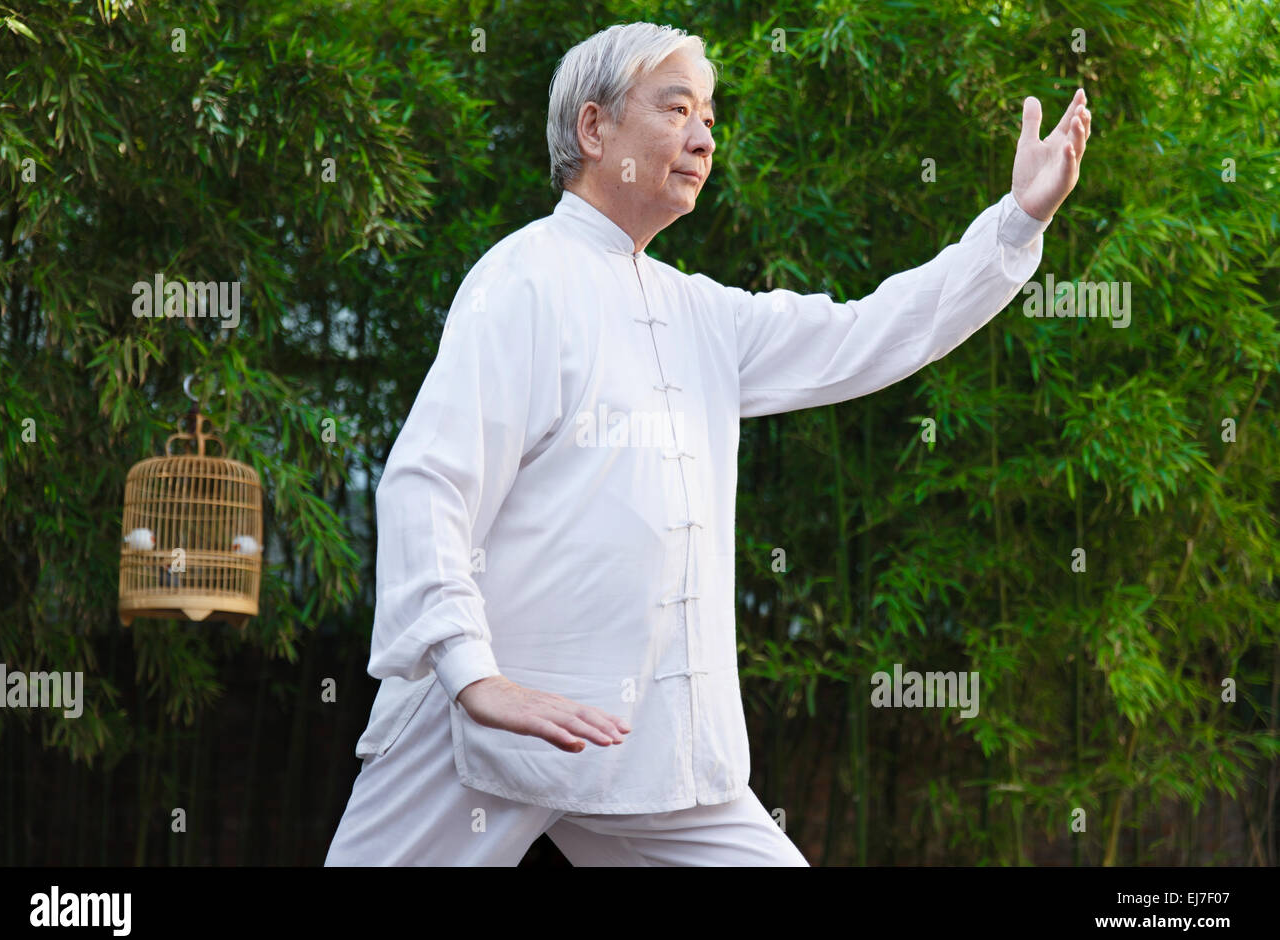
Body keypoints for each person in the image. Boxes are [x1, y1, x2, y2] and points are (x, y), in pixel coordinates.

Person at [324, 20, 1091, 866]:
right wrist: (475, 676)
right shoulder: (522, 281)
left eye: (711, 117)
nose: (703, 136)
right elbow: (430, 483)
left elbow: (872, 332)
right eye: (678, 108)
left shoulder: (701, 313)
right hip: (480, 721)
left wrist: (1017, 221)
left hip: (639, 736)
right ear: (593, 129)